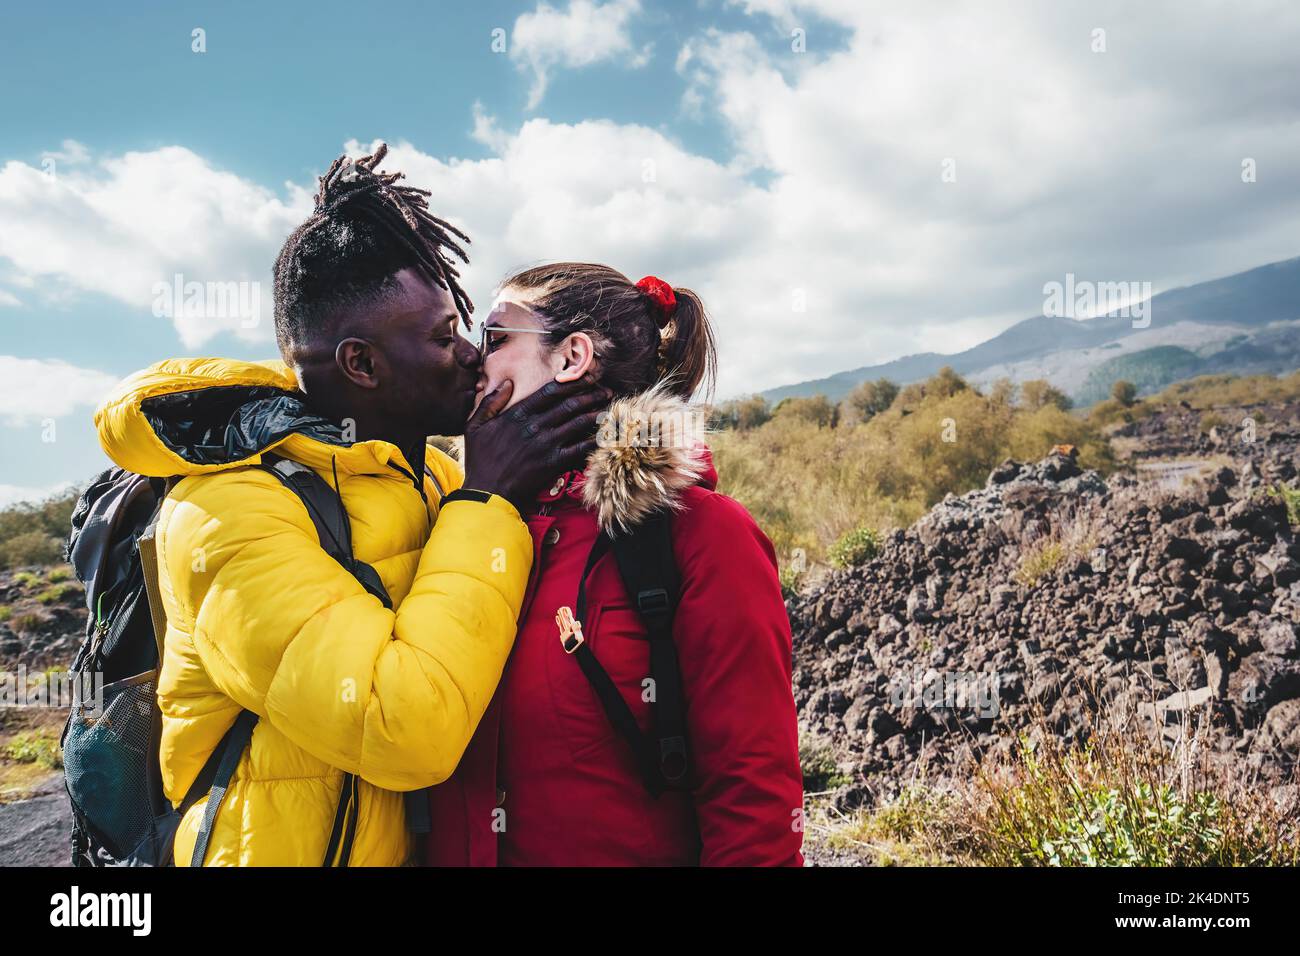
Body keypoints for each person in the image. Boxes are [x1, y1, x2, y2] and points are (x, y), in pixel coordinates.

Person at [92, 146, 607, 866]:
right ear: (361, 363)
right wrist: (487, 500)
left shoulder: (424, 475)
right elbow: (407, 729)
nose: (468, 354)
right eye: (438, 335)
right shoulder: (227, 513)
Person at [425, 263, 805, 866]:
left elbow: (753, 801)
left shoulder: (701, 536)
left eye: (496, 339)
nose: (474, 358)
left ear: (571, 357)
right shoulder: (463, 530)